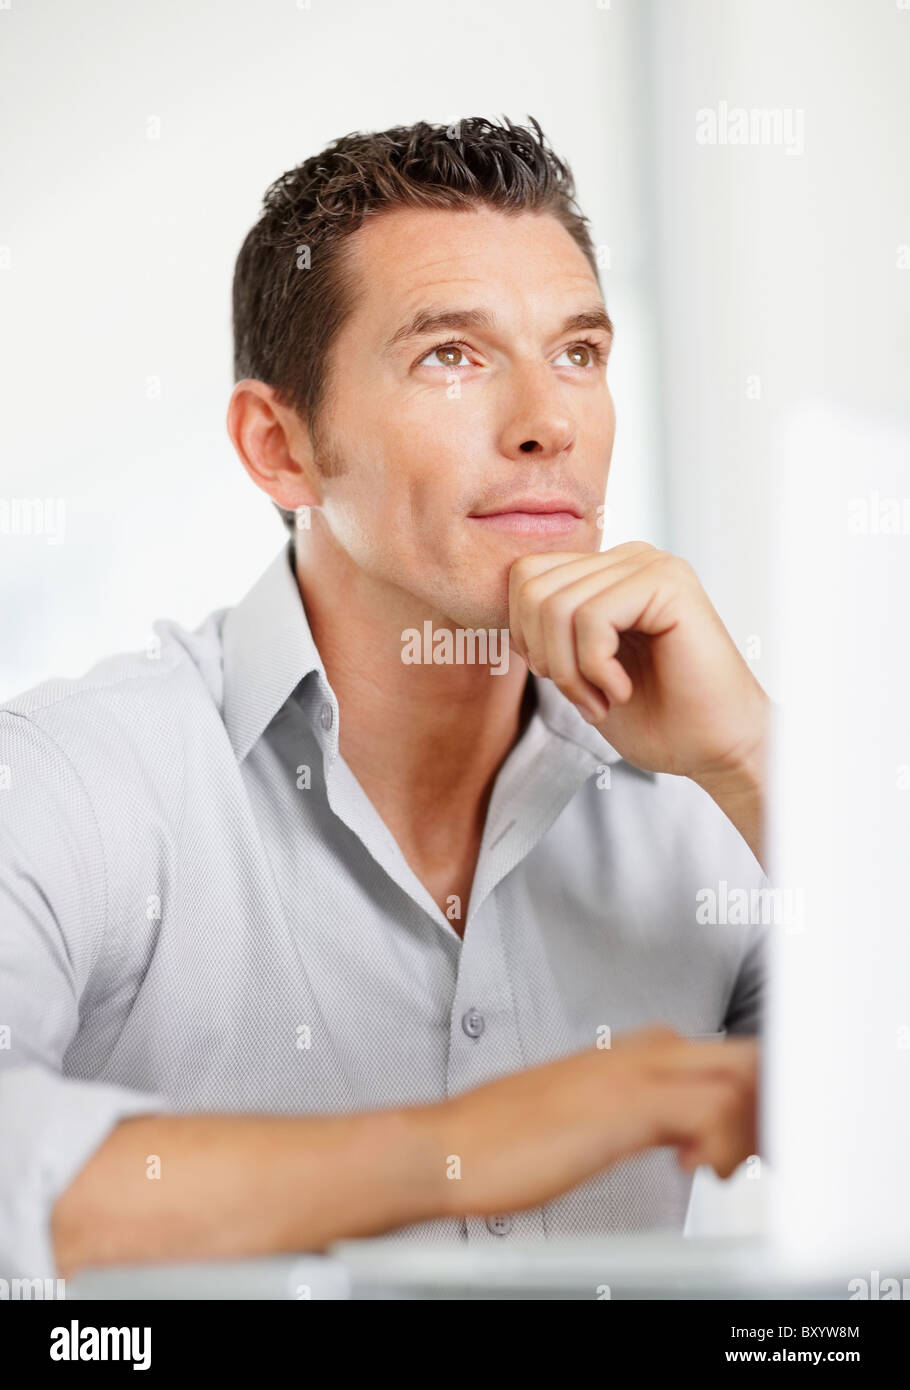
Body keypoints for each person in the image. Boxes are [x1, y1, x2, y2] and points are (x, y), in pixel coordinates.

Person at [0, 117, 768, 1281]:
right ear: (279, 446)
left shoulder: (709, 801)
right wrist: (454, 1153)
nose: (548, 422)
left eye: (578, 352)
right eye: (450, 355)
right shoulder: (76, 780)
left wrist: (756, 763)